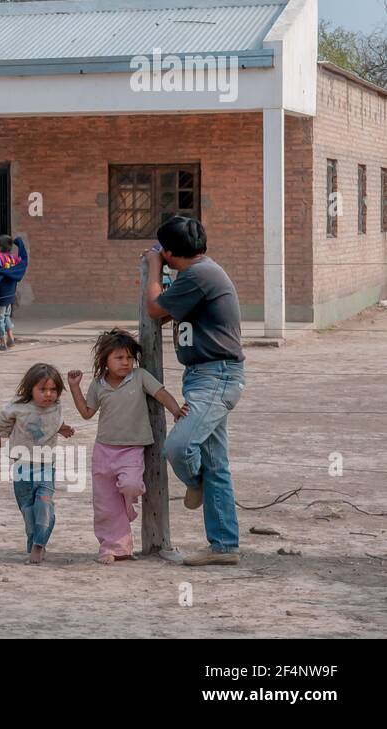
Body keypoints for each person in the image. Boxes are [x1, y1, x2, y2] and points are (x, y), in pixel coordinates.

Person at [143, 216, 246, 567]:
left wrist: (154, 268)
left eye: (163, 251)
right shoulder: (194, 276)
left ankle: (197, 481)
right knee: (217, 464)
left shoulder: (199, 275)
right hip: (204, 376)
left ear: (170, 252)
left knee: (179, 446)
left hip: (216, 375)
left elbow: (155, 309)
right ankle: (224, 547)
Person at [67, 329, 186, 564]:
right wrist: (74, 387)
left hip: (132, 449)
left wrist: (176, 410)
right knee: (105, 504)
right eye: (119, 358)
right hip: (103, 450)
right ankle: (112, 548)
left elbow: (161, 394)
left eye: (129, 358)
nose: (125, 362)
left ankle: (128, 507)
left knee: (130, 485)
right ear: (105, 361)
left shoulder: (140, 376)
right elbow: (86, 413)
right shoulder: (98, 385)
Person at [0, 363, 75, 564]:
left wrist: (62, 428)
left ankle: (40, 543)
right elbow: (5, 420)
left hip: (46, 465)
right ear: (30, 389)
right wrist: (2, 435)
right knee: (27, 508)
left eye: (53, 390)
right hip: (22, 465)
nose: (48, 394)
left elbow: (52, 424)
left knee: (44, 503)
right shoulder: (19, 407)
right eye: (43, 389)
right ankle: (33, 541)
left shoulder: (56, 408)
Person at [0, 235, 29, 350]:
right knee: (6, 316)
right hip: (11, 293)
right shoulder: (14, 258)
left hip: (1, 295)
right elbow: (23, 260)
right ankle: (11, 338)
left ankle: (2, 342)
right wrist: (19, 244)